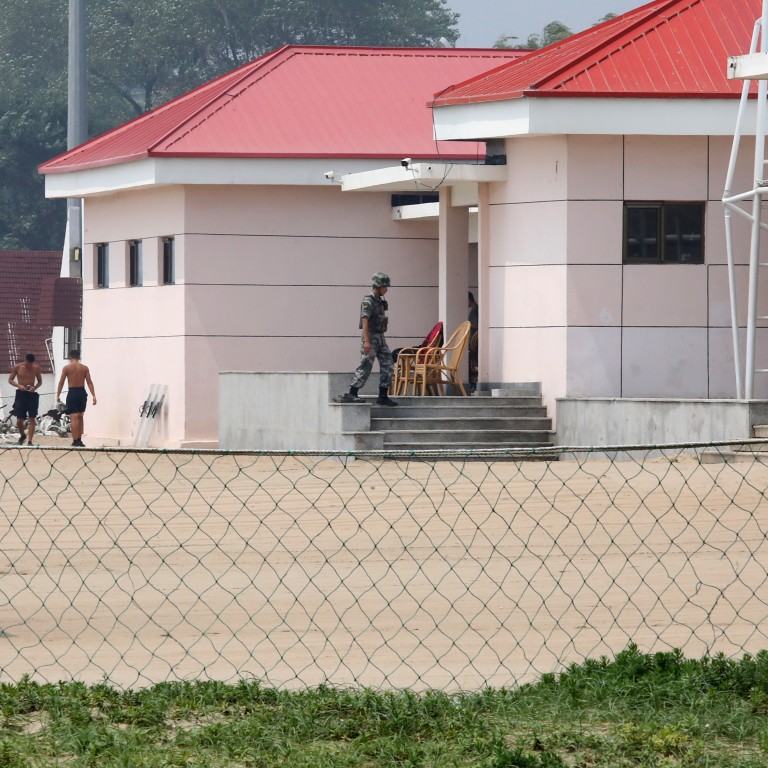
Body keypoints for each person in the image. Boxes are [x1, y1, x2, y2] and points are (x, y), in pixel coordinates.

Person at [338, 272, 398, 406]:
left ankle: (383, 395)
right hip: (370, 337)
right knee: (365, 365)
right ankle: (352, 393)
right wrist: (366, 341)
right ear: (378, 285)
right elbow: (364, 320)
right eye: (385, 287)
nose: (386, 290)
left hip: (380, 338)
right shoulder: (368, 301)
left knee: (388, 364)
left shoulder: (379, 300)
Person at [56, 350, 97, 448]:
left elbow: (61, 382)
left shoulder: (66, 368)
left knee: (73, 417)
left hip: (73, 392)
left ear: (70, 356)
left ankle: (75, 441)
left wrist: (58, 395)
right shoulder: (84, 368)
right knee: (80, 417)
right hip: (82, 392)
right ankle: (79, 440)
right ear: (79, 357)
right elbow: (89, 382)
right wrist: (94, 395)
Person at [8, 353, 43, 446]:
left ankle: (30, 441)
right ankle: (23, 435)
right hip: (21, 394)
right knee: (19, 419)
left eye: (31, 364)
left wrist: (35, 387)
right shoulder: (18, 367)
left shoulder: (36, 368)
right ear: (25, 361)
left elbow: (40, 381)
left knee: (32, 418)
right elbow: (10, 379)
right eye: (28, 364)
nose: (29, 366)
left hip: (32, 395)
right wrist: (18, 385)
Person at [468, 292, 479, 394]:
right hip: (472, 341)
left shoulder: (475, 310)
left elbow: (477, 325)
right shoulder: (473, 310)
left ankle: (473, 384)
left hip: (474, 342)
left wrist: (468, 325)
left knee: (473, 363)